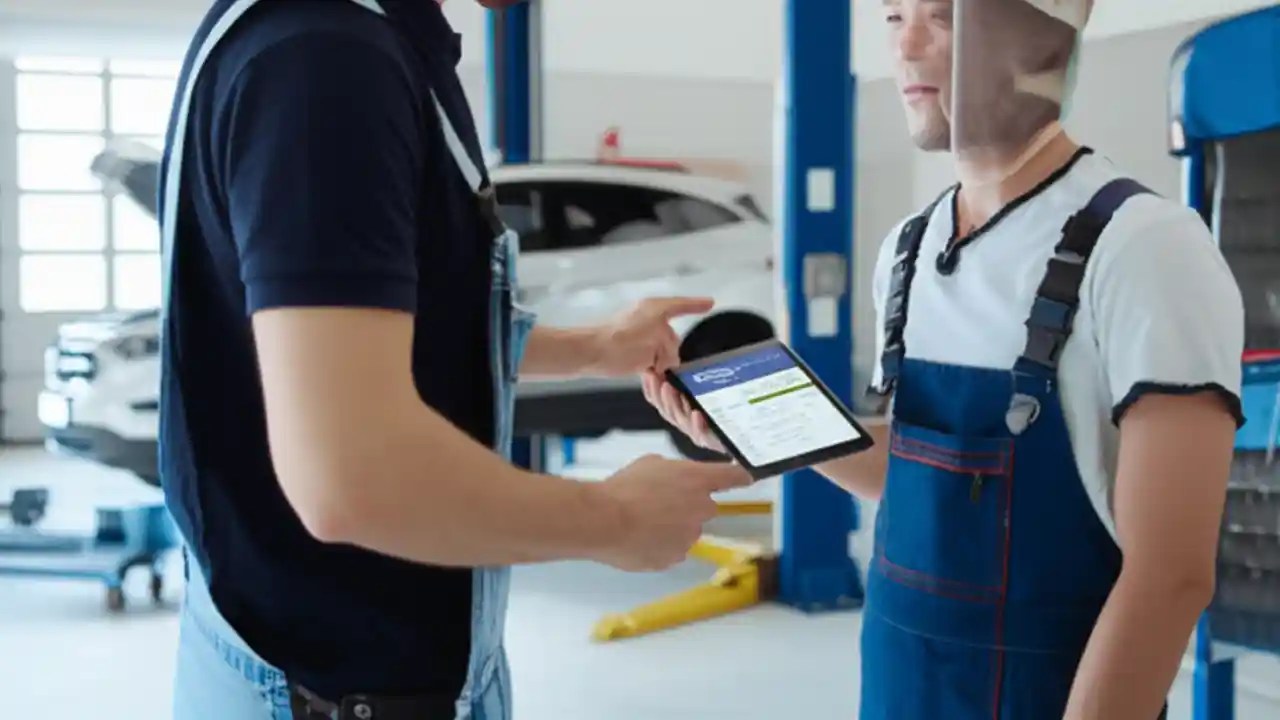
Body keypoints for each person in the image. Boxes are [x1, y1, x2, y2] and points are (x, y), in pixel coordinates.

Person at [647, 0, 1245, 718]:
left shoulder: (1146, 248)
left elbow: (1171, 576)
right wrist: (761, 427)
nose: (906, 46)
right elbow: (921, 473)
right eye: (893, 17)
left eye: (940, 15)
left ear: (1036, 36)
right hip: (899, 686)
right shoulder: (910, 248)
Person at [158, 0, 750, 718]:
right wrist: (616, 519)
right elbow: (352, 474)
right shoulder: (325, 61)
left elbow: (382, 336)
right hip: (331, 694)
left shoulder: (358, 44)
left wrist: (592, 349)